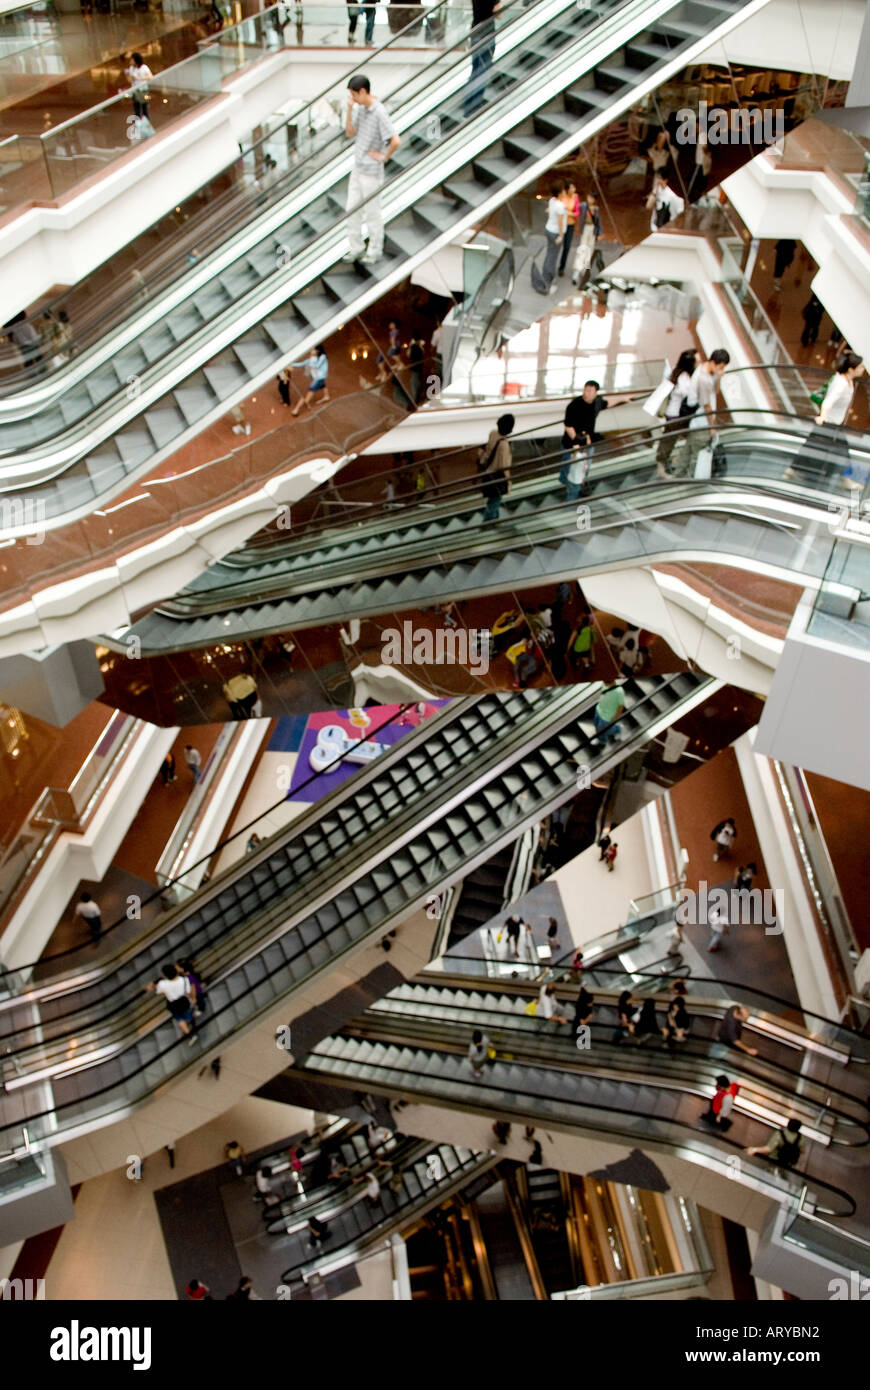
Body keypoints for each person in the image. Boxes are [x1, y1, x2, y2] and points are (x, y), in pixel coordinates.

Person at [343, 75, 400, 264]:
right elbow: (350, 133)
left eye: (354, 95)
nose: (352, 98)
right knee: (352, 210)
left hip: (372, 173)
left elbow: (395, 140)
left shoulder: (379, 112)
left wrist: (383, 157)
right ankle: (356, 247)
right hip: (358, 168)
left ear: (363, 91)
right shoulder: (362, 110)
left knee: (372, 213)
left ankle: (374, 250)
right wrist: (349, 111)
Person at [785, 352, 865, 485]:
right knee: (840, 452)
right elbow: (828, 401)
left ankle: (792, 470)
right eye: (860, 366)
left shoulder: (847, 380)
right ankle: (845, 480)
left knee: (813, 446)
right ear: (851, 369)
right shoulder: (841, 383)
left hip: (834, 423)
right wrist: (822, 417)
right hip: (829, 424)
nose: (863, 368)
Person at [681, 349, 730, 477]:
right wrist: (712, 427)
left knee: (686, 454)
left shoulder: (707, 370)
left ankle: (678, 477)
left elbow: (716, 391)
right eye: (720, 367)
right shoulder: (703, 379)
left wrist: (718, 378)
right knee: (695, 459)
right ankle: (691, 485)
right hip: (701, 425)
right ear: (713, 362)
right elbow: (707, 405)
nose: (721, 370)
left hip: (697, 423)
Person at [655, 348, 699, 477]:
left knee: (673, 439)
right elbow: (689, 393)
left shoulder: (677, 371)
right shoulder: (683, 377)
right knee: (669, 441)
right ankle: (662, 469)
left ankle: (674, 462)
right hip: (675, 415)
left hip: (675, 414)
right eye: (697, 361)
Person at [560, 380, 608, 499]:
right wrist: (578, 442)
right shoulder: (574, 405)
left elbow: (607, 403)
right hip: (573, 445)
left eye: (590, 391)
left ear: (596, 393)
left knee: (583, 469)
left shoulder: (597, 402)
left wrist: (624, 399)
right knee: (570, 468)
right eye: (585, 390)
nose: (586, 393)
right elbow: (568, 426)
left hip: (587, 444)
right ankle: (569, 489)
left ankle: (575, 487)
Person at [463, 0, 502, 117]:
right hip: (487, 34)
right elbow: (499, 14)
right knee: (483, 71)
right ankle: (475, 106)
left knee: (475, 70)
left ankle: (468, 105)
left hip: (475, 32)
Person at [146, 964, 198, 1043]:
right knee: (188, 1014)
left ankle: (190, 1034)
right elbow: (188, 991)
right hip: (184, 1001)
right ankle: (191, 1022)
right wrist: (193, 998)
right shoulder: (184, 980)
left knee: (179, 1019)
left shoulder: (163, 984)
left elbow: (158, 990)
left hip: (173, 1005)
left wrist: (153, 985)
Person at [478, 412, 513, 521]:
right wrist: (509, 482)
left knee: (492, 500)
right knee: (494, 502)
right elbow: (504, 467)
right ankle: (489, 523)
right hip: (497, 478)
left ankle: (494, 520)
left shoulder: (492, 433)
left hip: (488, 473)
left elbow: (488, 450)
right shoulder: (504, 445)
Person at [571, 191, 602, 286]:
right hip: (585, 229)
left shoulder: (596, 209)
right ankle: (577, 270)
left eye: (592, 198)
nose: (590, 199)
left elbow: (598, 221)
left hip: (592, 230)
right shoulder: (584, 206)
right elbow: (575, 208)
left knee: (590, 250)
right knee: (582, 249)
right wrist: (574, 198)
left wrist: (599, 233)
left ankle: (585, 269)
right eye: (589, 197)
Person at [542, 180, 567, 290]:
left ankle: (546, 274)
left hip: (548, 229)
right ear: (560, 192)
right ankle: (549, 279)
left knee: (549, 254)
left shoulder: (552, 201)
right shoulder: (560, 206)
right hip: (555, 232)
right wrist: (561, 236)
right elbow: (560, 222)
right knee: (553, 256)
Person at [290, 345, 330, 414]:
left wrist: (309, 364)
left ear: (317, 351)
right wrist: (290, 364)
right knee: (322, 385)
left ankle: (296, 410)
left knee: (308, 395)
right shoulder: (311, 359)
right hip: (318, 377)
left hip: (319, 378)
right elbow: (300, 364)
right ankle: (326, 396)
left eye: (312, 349)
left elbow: (317, 366)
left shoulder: (322, 357)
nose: (310, 350)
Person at [557, 181, 580, 277]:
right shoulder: (562, 197)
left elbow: (577, 211)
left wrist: (572, 214)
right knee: (557, 245)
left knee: (567, 246)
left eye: (574, 188)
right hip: (561, 224)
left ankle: (562, 267)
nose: (573, 190)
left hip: (570, 224)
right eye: (571, 188)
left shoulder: (575, 197)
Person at [125, 52, 153, 121]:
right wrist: (127, 75)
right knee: (136, 111)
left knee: (144, 109)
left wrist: (138, 78)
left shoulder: (144, 67)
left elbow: (150, 76)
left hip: (142, 90)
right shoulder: (131, 68)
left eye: (132, 60)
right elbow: (130, 80)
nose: (131, 62)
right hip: (135, 91)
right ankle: (138, 126)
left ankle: (146, 126)